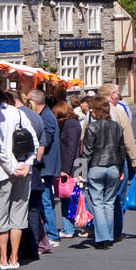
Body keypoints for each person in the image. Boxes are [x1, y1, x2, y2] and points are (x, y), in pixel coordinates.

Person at [0, 82, 39, 269]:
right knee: (18, 215)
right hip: (23, 170)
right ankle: (15, 258)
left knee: (1, 215)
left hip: (1, 172)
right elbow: (33, 142)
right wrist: (26, 165)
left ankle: (3, 258)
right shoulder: (18, 112)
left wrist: (12, 167)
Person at [82, 96, 127, 248]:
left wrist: (80, 174)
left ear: (96, 111)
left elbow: (86, 153)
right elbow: (122, 150)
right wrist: (121, 169)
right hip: (113, 166)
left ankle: (102, 238)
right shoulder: (116, 127)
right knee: (109, 203)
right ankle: (109, 235)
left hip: (96, 167)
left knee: (97, 203)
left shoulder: (92, 128)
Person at [102, 83, 136, 240]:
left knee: (99, 197)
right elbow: (128, 139)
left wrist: (81, 168)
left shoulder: (92, 112)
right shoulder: (118, 112)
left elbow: (83, 139)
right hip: (117, 159)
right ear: (112, 96)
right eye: (118, 95)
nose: (119, 98)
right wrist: (134, 161)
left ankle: (101, 230)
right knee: (117, 196)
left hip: (96, 161)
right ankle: (115, 231)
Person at [25, 89, 61, 252]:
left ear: (34, 101)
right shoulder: (46, 115)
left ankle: (52, 234)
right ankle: (50, 232)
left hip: (45, 164)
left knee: (46, 200)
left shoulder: (45, 117)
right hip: (47, 164)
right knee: (47, 199)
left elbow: (46, 140)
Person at [54, 99, 83, 239]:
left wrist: (65, 169)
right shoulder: (71, 123)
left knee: (70, 198)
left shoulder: (70, 125)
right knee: (72, 197)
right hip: (74, 166)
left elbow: (71, 149)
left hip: (72, 167)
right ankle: (70, 226)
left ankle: (71, 227)